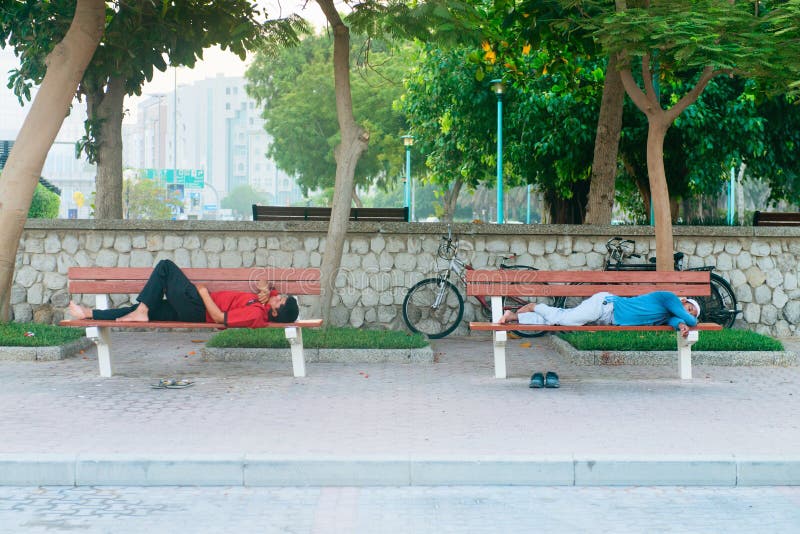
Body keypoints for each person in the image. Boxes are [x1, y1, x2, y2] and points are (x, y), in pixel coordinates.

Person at [68, 259, 299, 328]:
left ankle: (142, 311)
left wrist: (204, 292)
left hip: (198, 309)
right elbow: (262, 279)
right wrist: (264, 288)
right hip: (195, 307)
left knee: (166, 267)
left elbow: (219, 318)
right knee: (144, 308)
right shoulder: (266, 300)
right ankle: (89, 313)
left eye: (280, 300)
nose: (278, 296)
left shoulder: (256, 314)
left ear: (275, 313)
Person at [498, 291, 701, 337]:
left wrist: (681, 326)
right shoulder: (669, 298)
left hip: (607, 316)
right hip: (605, 306)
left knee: (560, 320)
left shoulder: (667, 314)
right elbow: (689, 319)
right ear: (684, 301)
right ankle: (534, 306)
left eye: (692, 311)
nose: (689, 312)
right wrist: (690, 320)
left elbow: (677, 320)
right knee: (565, 319)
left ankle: (514, 317)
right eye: (690, 307)